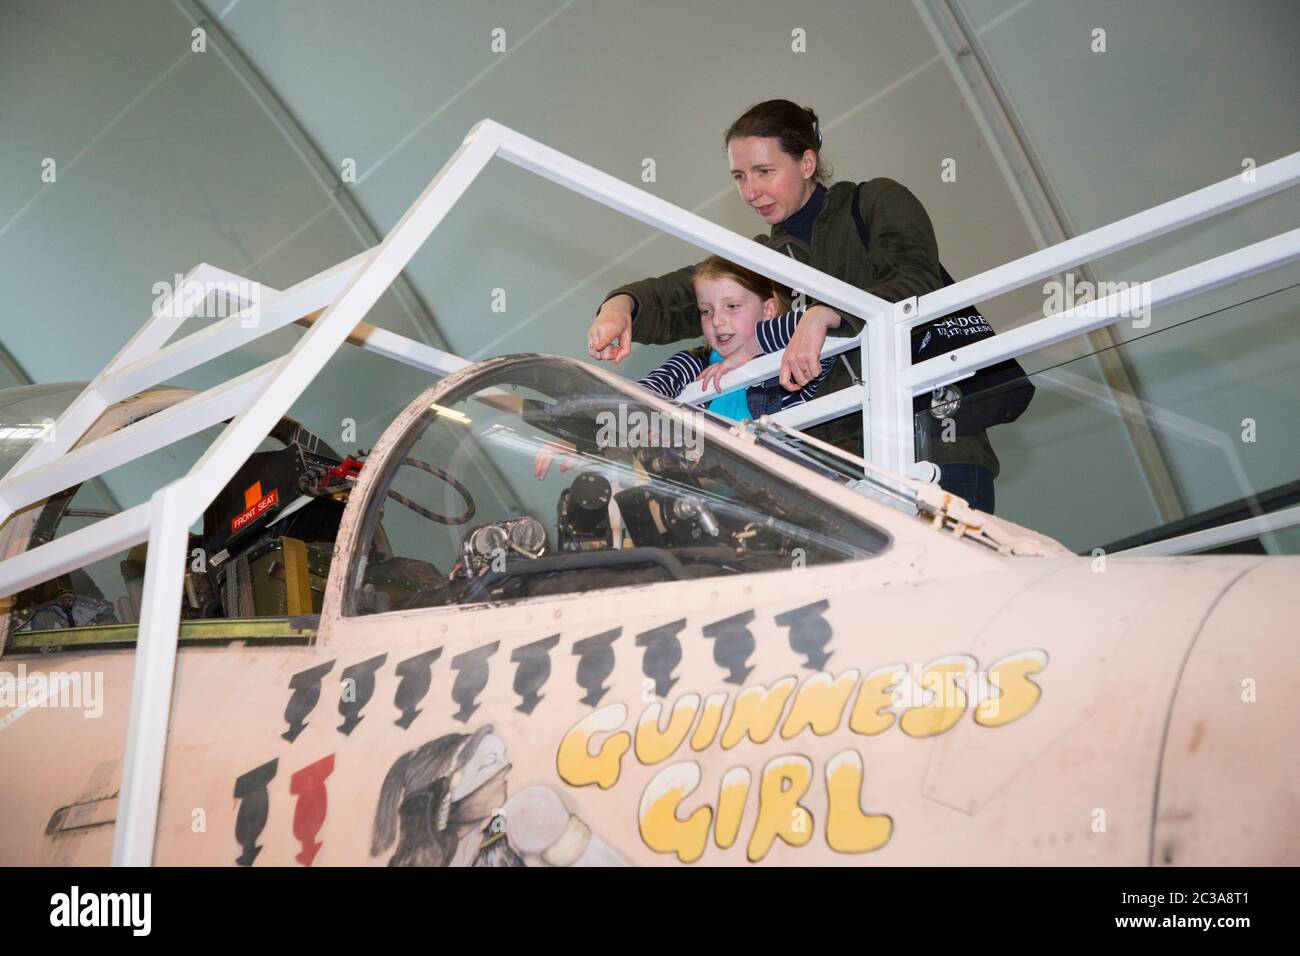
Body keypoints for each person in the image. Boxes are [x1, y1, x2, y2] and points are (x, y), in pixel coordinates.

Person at [586, 99, 1004, 513]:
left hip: (935, 446)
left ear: (807, 162)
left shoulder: (876, 202)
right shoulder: (765, 258)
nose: (750, 192)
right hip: (839, 464)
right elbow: (688, 292)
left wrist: (825, 314)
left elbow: (915, 282)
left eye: (764, 172)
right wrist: (624, 305)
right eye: (739, 176)